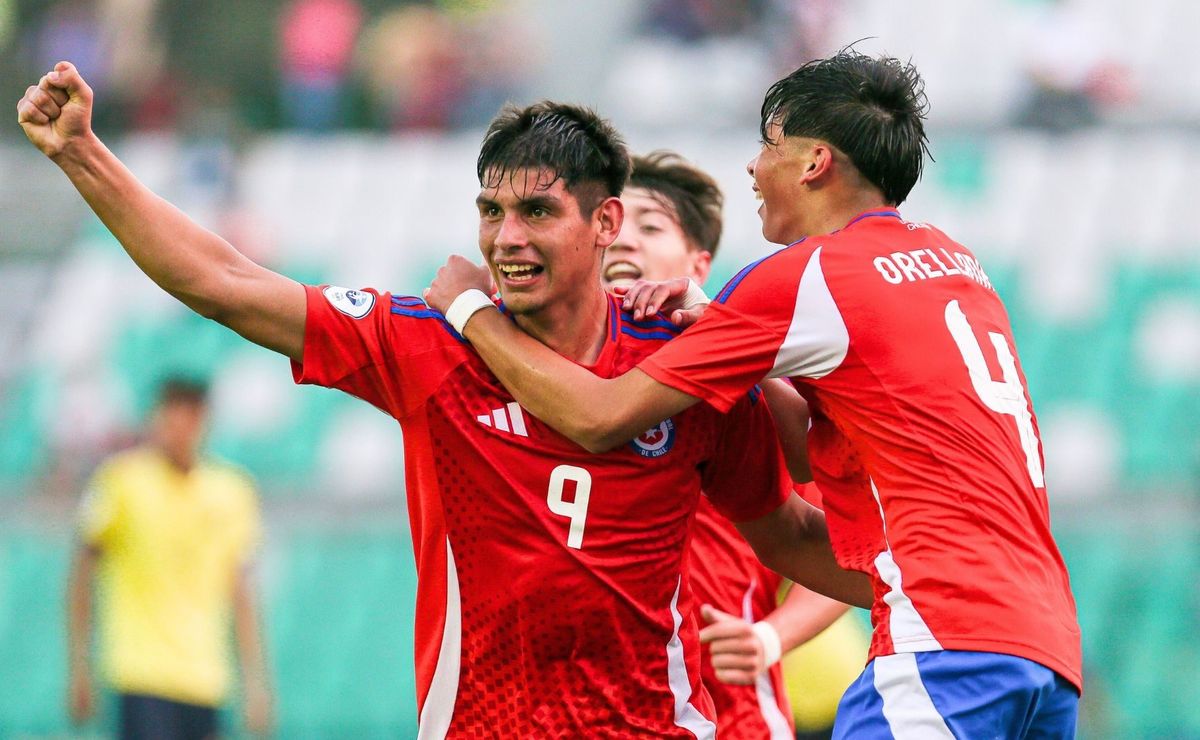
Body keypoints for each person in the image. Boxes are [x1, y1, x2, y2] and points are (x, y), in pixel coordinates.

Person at [18, 63, 867, 736]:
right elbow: (226, 282)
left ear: (604, 223)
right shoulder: (427, 345)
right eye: (491, 211)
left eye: (537, 210)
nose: (507, 238)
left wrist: (936, 586)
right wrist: (84, 153)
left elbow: (790, 531)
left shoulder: (679, 371)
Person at [425, 50, 1083, 737]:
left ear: (814, 162)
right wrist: (722, 326)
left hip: (945, 642)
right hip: (1046, 646)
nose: (752, 167)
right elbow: (822, 441)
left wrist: (473, 311)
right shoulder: (955, 264)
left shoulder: (803, 277)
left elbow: (600, 417)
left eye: (768, 144)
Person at [606, 151, 852, 739]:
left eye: (651, 225)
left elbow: (848, 541)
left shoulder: (750, 396)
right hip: (600, 707)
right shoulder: (553, 384)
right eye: (611, 225)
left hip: (730, 712)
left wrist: (772, 636)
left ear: (698, 262)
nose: (623, 242)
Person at [65, 378, 272, 739]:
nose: (180, 428)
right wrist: (79, 666)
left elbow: (241, 592)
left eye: (190, 416)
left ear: (204, 421)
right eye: (171, 415)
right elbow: (82, 573)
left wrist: (256, 683)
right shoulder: (121, 481)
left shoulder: (232, 491)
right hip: (140, 673)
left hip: (206, 677)